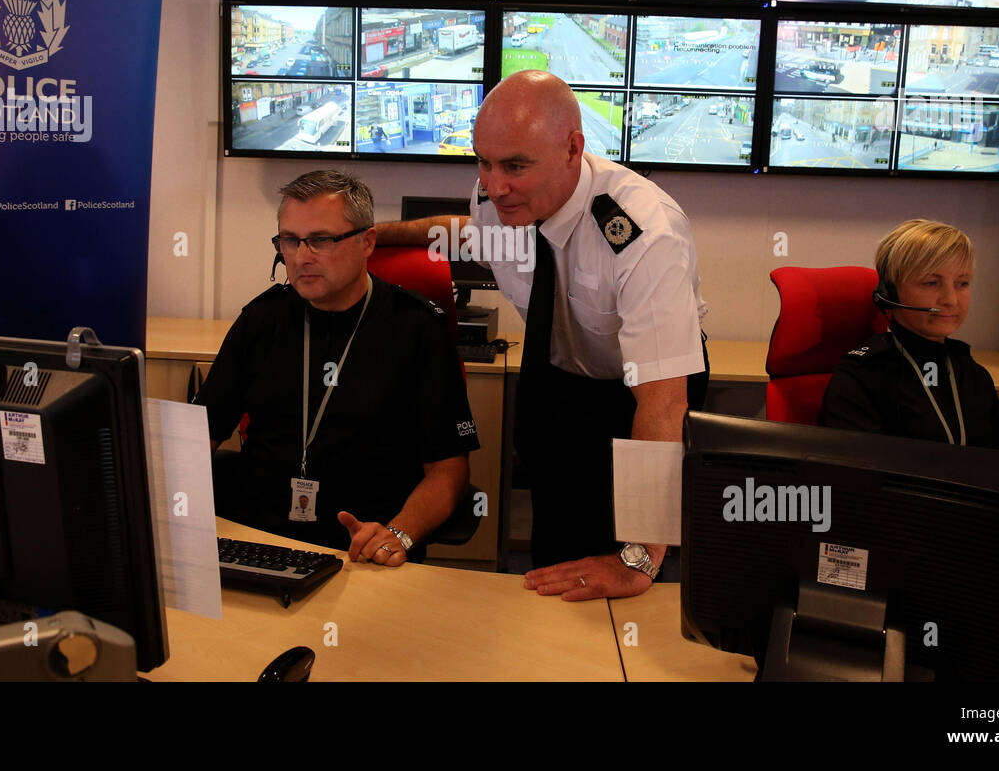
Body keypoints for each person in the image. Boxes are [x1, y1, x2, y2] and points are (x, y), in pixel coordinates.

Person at [377, 71, 709, 600]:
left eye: (515, 166)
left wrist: (640, 558)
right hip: (556, 382)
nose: (494, 183)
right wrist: (375, 235)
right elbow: (471, 235)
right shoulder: (497, 200)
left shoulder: (643, 231)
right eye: (483, 162)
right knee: (557, 551)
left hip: (635, 395)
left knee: (625, 569)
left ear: (573, 148)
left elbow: (663, 403)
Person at [195, 170, 476, 566]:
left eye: (321, 240)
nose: (301, 256)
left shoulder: (416, 328)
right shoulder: (261, 319)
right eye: (290, 240)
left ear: (367, 243)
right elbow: (199, 436)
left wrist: (398, 535)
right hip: (256, 539)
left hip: (364, 548)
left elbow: (449, 472)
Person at [819, 219, 999, 547]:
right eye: (932, 282)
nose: (951, 299)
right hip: (904, 547)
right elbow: (860, 501)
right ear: (890, 293)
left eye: (962, 283)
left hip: (970, 533)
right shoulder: (862, 376)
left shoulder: (969, 374)